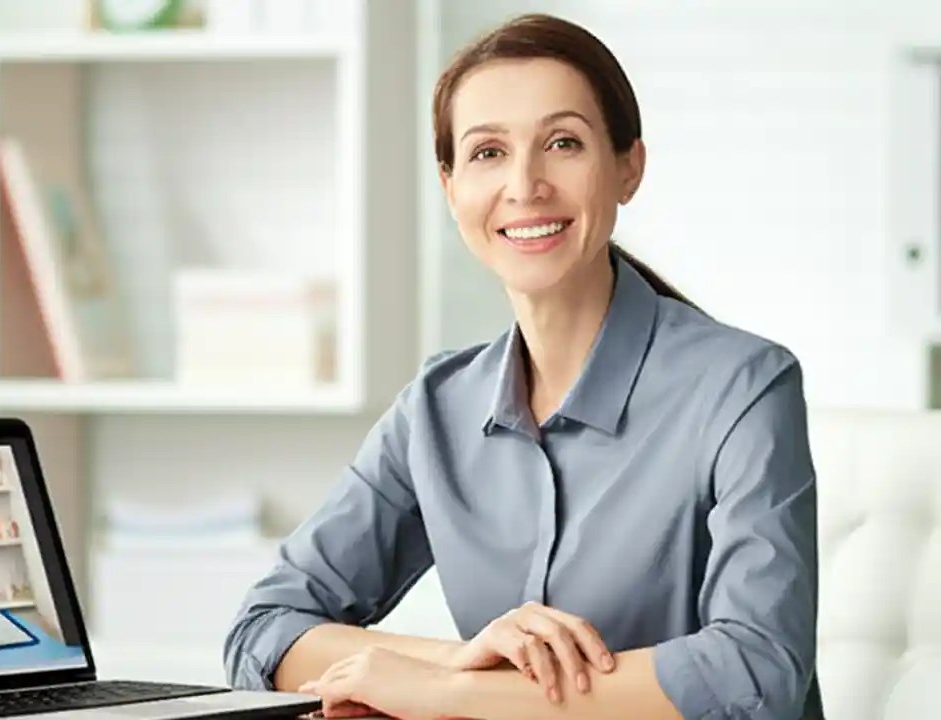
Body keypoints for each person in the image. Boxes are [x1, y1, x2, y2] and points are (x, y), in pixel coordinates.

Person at [223, 12, 822, 720]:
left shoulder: (745, 386)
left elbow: (755, 672)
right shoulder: (437, 409)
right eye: (487, 153)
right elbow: (263, 633)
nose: (525, 183)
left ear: (628, 167)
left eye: (563, 143)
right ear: (450, 188)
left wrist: (453, 694)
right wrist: (462, 660)